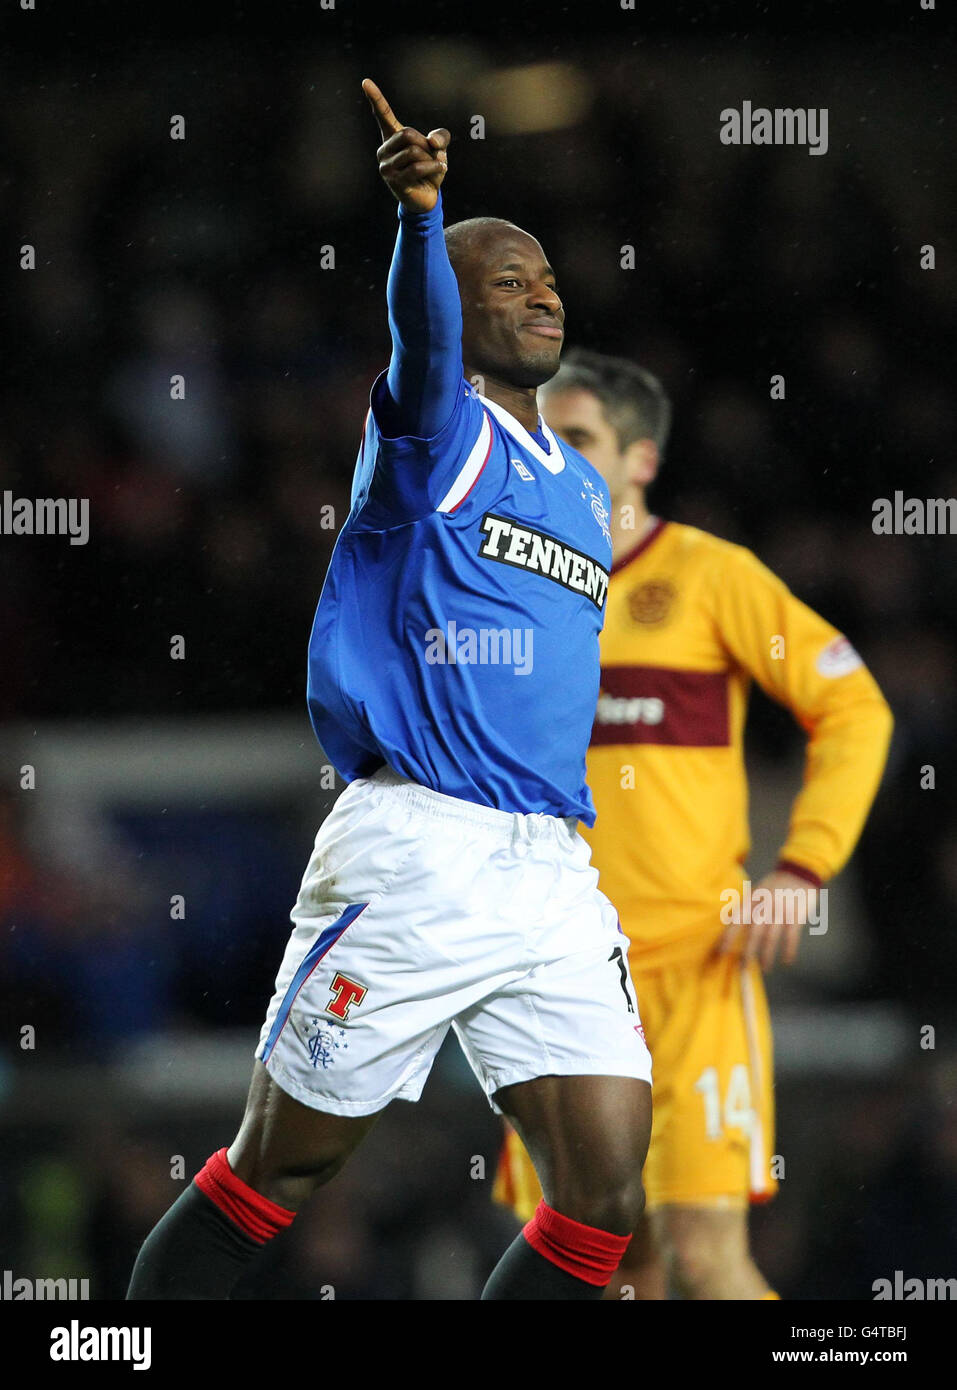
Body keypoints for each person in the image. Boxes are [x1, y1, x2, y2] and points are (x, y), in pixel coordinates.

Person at [127, 83, 652, 1302]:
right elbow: (420, 337)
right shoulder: (436, 428)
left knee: (606, 1197)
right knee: (277, 1173)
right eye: (505, 279)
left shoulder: (578, 485)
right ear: (456, 310)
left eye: (547, 277)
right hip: (422, 846)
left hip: (551, 867)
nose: (540, 291)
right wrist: (423, 219)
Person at [493, 349, 893, 1299]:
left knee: (703, 1257)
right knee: (616, 1273)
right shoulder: (505, 589)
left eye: (575, 438)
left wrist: (801, 870)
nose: (548, 455)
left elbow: (854, 708)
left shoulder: (710, 578)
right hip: (550, 980)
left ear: (639, 462)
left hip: (690, 970)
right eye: (537, 437)